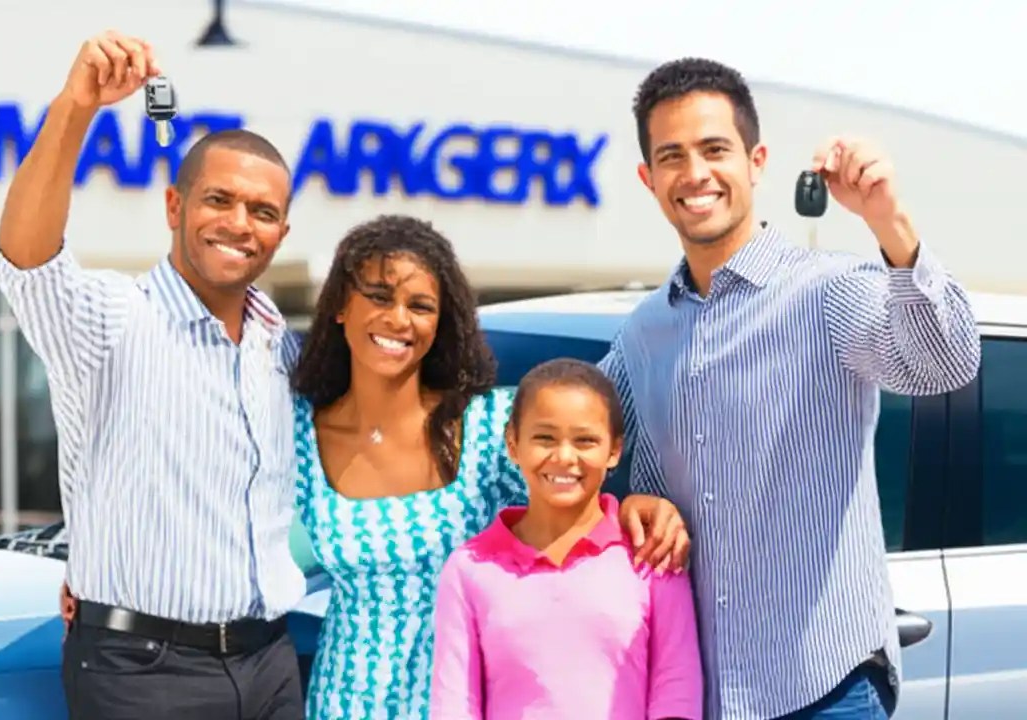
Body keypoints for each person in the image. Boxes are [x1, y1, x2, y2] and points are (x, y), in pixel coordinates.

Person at [598, 57, 982, 720]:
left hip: (822, 691)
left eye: (715, 149)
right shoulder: (643, 334)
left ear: (756, 161)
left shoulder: (827, 292)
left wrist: (890, 225)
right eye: (672, 156)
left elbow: (942, 366)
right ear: (648, 178)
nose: (694, 173)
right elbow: (559, 463)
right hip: (685, 695)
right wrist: (626, 505)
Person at [0, 29, 307, 719]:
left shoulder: (282, 348)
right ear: (174, 207)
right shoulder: (110, 319)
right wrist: (76, 107)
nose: (239, 223)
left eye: (263, 211)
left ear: (281, 233)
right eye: (219, 199)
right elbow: (25, 256)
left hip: (272, 664)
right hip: (143, 675)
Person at [288, 216, 693, 719]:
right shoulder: (299, 432)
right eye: (377, 296)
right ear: (340, 308)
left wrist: (638, 500)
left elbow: (575, 482)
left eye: (420, 305)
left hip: (482, 700)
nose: (398, 319)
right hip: (345, 701)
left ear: (441, 322)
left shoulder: (488, 425)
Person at [429, 358, 703, 720]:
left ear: (614, 451)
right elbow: (454, 705)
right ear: (513, 444)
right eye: (544, 438)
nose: (564, 457)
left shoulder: (651, 554)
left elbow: (677, 693)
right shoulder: (469, 569)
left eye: (585, 440)